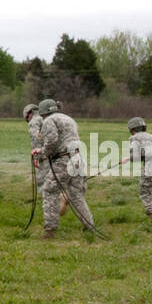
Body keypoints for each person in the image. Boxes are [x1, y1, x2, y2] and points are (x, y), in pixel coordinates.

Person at [32, 99, 94, 238]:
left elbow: (52, 141)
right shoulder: (69, 119)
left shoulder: (49, 121)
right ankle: (89, 226)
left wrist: (40, 153)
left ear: (43, 112)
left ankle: (50, 230)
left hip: (64, 160)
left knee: (49, 191)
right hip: (78, 158)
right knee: (76, 194)